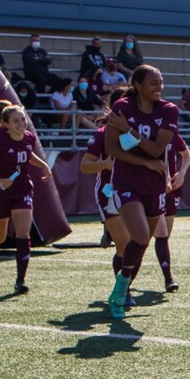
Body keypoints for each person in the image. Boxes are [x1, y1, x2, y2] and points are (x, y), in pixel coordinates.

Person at [104, 64, 177, 318]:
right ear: (137, 85)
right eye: (153, 83)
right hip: (126, 182)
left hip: (155, 185)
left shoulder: (169, 110)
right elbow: (112, 149)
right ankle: (121, 291)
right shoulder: (122, 108)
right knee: (141, 236)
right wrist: (145, 162)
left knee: (141, 244)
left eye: (161, 82)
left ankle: (120, 289)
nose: (159, 87)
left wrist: (130, 131)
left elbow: (157, 149)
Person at [0, 100, 51, 294]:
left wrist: (43, 165)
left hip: (22, 190)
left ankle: (20, 280)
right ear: (6, 124)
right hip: (0, 193)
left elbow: (28, 155)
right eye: (16, 121)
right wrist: (0, 180)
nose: (21, 123)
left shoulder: (29, 138)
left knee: (23, 234)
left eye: (23, 119)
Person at [81, 87, 137, 310]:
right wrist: (105, 164)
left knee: (137, 242)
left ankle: (123, 286)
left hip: (133, 190)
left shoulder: (137, 131)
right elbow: (84, 166)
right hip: (109, 191)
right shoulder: (103, 133)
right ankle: (123, 291)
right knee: (125, 244)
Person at [153, 132, 190, 293]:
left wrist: (181, 173)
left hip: (171, 189)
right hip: (150, 188)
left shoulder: (171, 134)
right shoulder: (145, 133)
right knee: (155, 234)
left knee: (164, 236)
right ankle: (168, 278)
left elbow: (187, 154)